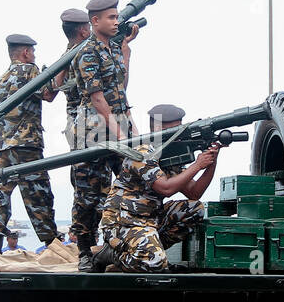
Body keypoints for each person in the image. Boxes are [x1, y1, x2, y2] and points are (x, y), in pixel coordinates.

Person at [94, 104, 219, 273]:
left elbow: (194, 192)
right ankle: (114, 255)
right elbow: (165, 189)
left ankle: (149, 250)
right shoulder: (143, 152)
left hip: (149, 219)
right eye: (173, 131)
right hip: (123, 222)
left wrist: (211, 162)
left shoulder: (169, 155)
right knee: (156, 263)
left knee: (194, 209)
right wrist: (197, 165)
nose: (179, 137)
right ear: (158, 129)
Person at [69, 0, 139, 271]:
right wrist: (121, 135)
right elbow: (97, 99)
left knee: (126, 186)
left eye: (117, 16)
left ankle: (117, 246)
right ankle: (85, 251)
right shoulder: (87, 52)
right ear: (94, 21)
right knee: (88, 194)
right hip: (92, 131)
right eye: (111, 17)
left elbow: (121, 88)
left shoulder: (111, 48)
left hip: (117, 125)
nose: (117, 21)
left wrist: (126, 51)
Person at [0, 34, 60, 253]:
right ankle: (52, 246)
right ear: (26, 53)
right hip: (27, 145)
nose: (34, 56)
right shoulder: (30, 71)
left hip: (2, 147)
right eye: (33, 52)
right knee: (38, 194)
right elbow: (48, 95)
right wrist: (54, 75)